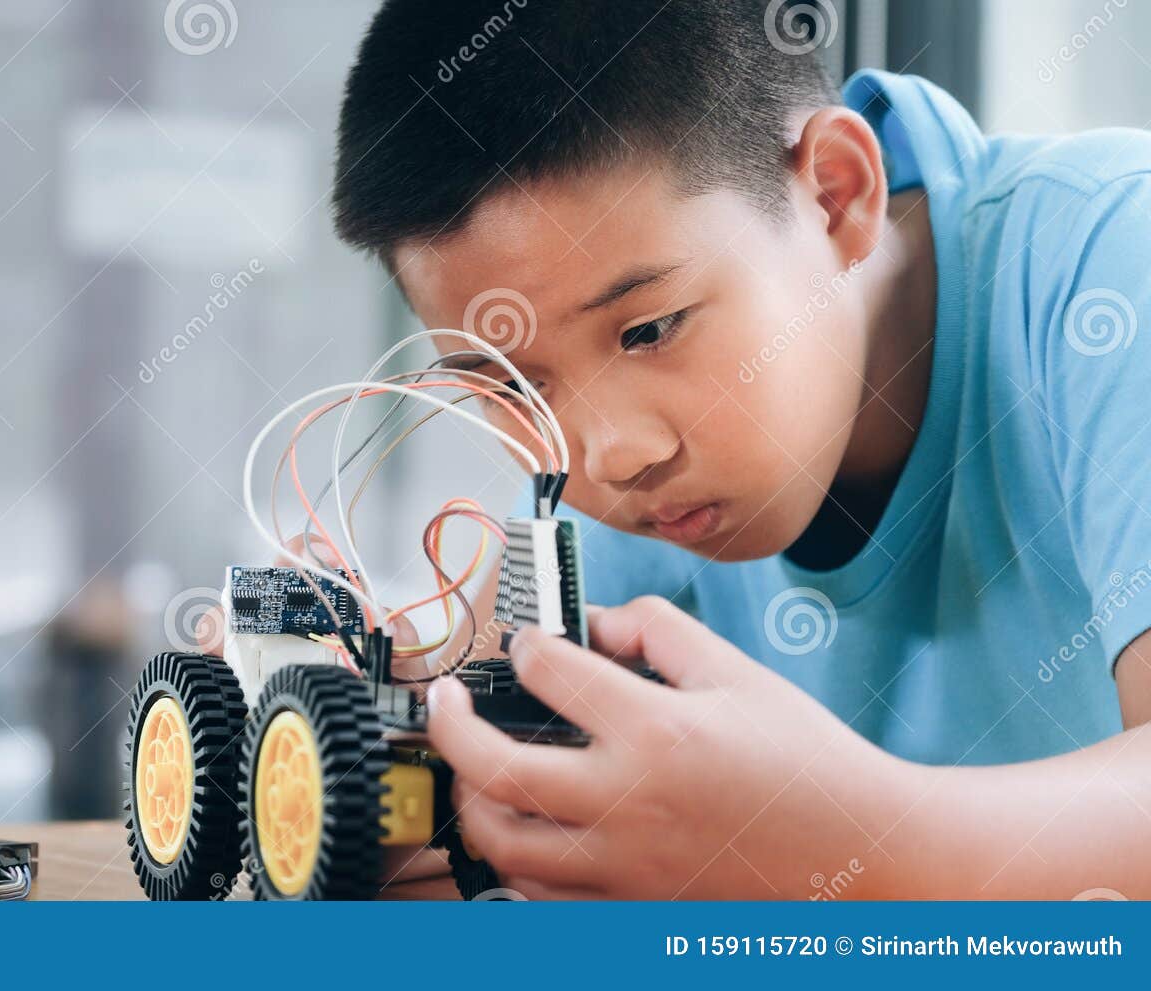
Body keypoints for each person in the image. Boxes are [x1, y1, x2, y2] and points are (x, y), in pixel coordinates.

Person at [309, 0, 1151, 899]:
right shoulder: (614, 478)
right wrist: (354, 755)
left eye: (650, 330)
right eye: (514, 386)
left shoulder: (1107, 263)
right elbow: (469, 791)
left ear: (835, 192)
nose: (610, 455)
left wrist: (848, 841)